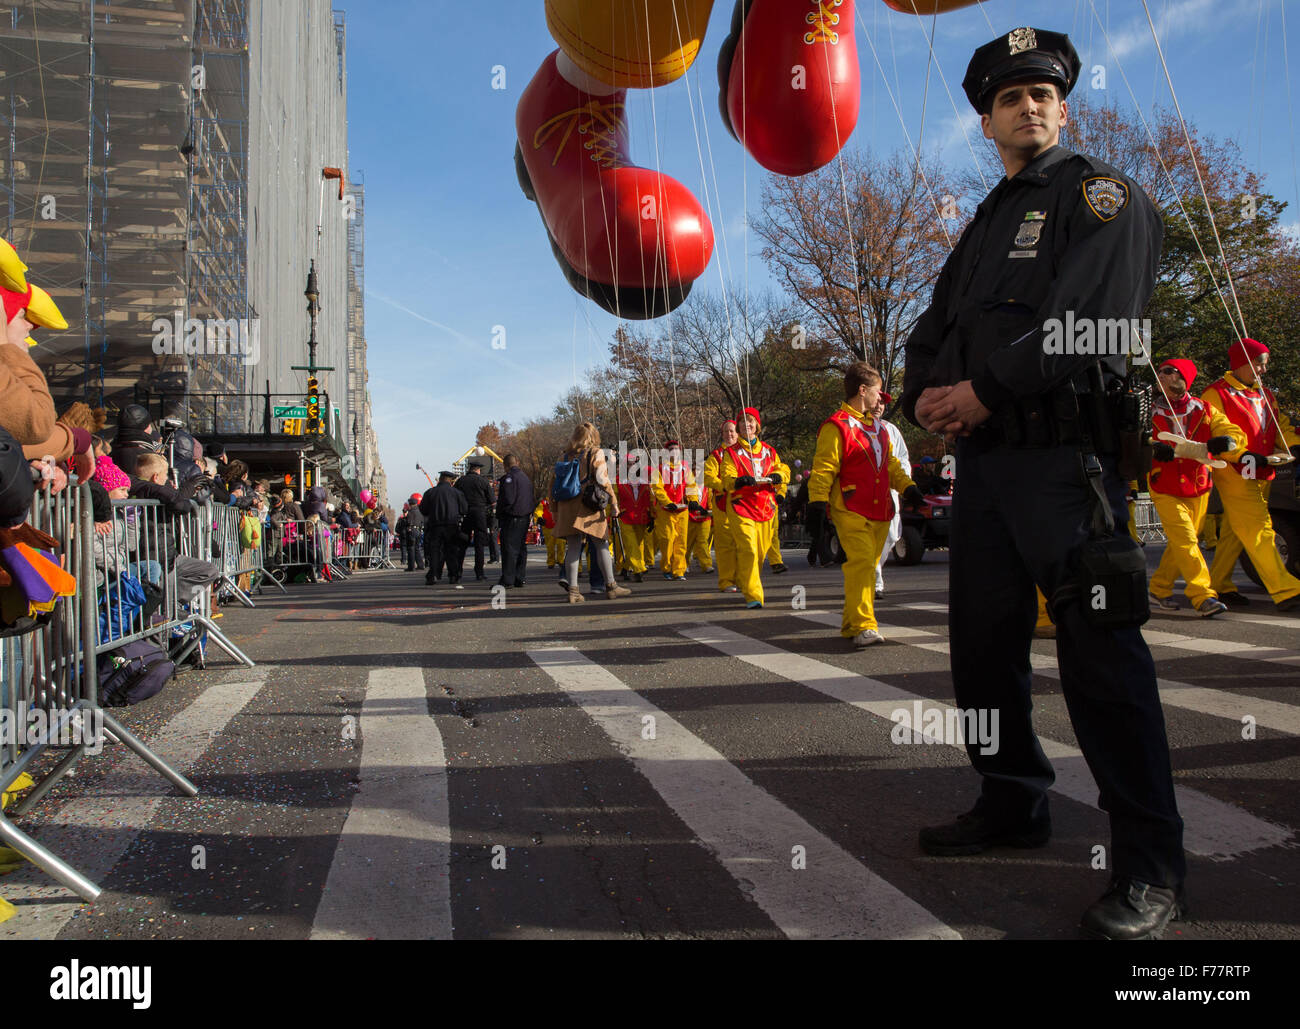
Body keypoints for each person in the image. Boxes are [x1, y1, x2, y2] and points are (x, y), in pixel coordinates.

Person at [900, 27, 1185, 939]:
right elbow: (931, 328)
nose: (1031, 105)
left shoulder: (1101, 196)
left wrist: (982, 389)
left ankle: (1150, 864)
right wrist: (924, 399)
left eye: (1045, 93)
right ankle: (1012, 799)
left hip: (1068, 466)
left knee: (1103, 660)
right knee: (982, 654)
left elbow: (1092, 324)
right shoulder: (987, 222)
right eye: (1011, 95)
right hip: (985, 469)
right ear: (986, 119)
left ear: (1064, 106)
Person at [808, 363, 922, 647]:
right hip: (851, 508)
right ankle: (864, 625)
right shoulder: (836, 426)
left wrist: (909, 488)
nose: (880, 397)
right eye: (877, 391)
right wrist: (817, 504)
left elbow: (891, 466)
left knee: (868, 568)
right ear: (862, 391)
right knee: (860, 563)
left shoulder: (879, 429)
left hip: (881, 509)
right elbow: (824, 469)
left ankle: (851, 623)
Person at [1200, 338, 1300, 610]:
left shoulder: (1266, 394)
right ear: (1242, 363)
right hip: (1236, 472)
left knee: (1234, 532)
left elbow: (1280, 426)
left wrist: (1293, 445)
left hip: (1264, 469)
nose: (1263, 370)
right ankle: (1286, 589)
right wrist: (1241, 454)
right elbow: (1218, 435)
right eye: (1259, 364)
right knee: (1260, 529)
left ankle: (1219, 584)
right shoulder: (1215, 394)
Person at [1147, 358, 1244, 617]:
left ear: (1184, 378)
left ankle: (1158, 587)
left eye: (1168, 371)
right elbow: (1135, 441)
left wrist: (1228, 441)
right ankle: (1203, 596)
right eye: (1160, 371)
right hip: (1163, 484)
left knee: (1183, 542)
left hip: (1199, 484)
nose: (1161, 375)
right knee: (1187, 540)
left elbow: (1231, 430)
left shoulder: (1205, 409)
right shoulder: (1147, 412)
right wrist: (1151, 449)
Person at [552, 422, 630, 603]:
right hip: (589, 505)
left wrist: (554, 509)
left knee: (572, 548)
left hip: (566, 505)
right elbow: (603, 480)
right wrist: (614, 501)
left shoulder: (563, 456)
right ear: (593, 436)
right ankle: (611, 586)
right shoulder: (595, 452)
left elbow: (552, 485)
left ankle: (573, 591)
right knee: (601, 544)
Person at [720, 408, 789, 609]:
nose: (746, 425)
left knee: (759, 553)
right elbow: (726, 477)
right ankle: (754, 595)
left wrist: (779, 477)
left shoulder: (769, 450)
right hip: (741, 506)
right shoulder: (730, 453)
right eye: (742, 422)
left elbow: (783, 469)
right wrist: (739, 481)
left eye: (750, 422)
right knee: (748, 548)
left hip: (766, 506)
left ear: (757, 425)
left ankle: (746, 580)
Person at [872, 391, 911, 597]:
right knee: (869, 537)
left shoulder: (891, 429)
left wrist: (905, 484)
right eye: (876, 401)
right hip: (867, 492)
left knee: (892, 535)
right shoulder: (855, 427)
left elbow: (902, 458)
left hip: (891, 491)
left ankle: (873, 571)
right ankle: (875, 580)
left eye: (883, 403)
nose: (879, 406)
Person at [703, 419, 741, 593]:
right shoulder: (716, 455)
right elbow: (709, 477)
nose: (729, 434)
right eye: (726, 431)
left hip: (743, 504)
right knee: (725, 545)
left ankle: (744, 579)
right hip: (722, 505)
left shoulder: (745, 453)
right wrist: (725, 485)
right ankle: (726, 581)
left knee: (743, 543)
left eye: (732, 431)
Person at [651, 439, 695, 580]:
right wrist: (667, 502)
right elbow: (657, 488)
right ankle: (667, 567)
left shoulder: (685, 468)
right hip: (665, 510)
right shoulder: (659, 469)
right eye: (671, 449)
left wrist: (693, 501)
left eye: (677, 449)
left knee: (681, 541)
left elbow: (691, 486)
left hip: (682, 510)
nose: (675, 452)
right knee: (667, 540)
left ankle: (679, 570)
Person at [420, 471, 467, 587]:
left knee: (435, 551)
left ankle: (433, 575)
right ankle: (453, 575)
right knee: (451, 551)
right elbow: (464, 509)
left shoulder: (430, 492)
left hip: (435, 526)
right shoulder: (457, 493)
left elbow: (423, 510)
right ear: (450, 481)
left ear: (440, 479)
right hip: (452, 526)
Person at [496, 453, 534, 588]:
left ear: (505, 465)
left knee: (509, 549)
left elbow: (508, 499)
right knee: (521, 548)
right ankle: (519, 577)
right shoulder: (525, 478)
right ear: (517, 462)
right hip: (524, 516)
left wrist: (500, 512)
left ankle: (507, 579)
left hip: (512, 517)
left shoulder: (509, 478)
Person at [614, 464, 654, 582]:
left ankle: (626, 568)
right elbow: (613, 498)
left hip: (641, 517)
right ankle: (639, 568)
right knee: (631, 544)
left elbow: (651, 500)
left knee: (637, 544)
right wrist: (611, 513)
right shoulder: (618, 482)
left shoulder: (646, 484)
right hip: (625, 517)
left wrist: (652, 516)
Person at [455, 462, 494, 581]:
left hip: (465, 514)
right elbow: (492, 500)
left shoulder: (461, 481)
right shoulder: (483, 481)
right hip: (480, 514)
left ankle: (457, 572)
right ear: (479, 470)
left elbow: (455, 496)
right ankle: (479, 572)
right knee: (479, 545)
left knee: (462, 544)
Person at [686, 478, 714, 573]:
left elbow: (710, 501)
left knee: (703, 542)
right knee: (688, 543)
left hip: (705, 518)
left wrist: (711, 510)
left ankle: (706, 565)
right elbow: (689, 501)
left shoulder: (708, 486)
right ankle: (684, 564)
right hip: (690, 517)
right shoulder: (689, 484)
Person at [402, 492, 426, 571]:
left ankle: (411, 566)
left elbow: (408, 522)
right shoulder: (420, 511)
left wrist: (405, 517)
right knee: (417, 549)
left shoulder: (411, 512)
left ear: (411, 504)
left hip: (412, 531)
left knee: (411, 549)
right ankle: (420, 565)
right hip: (419, 531)